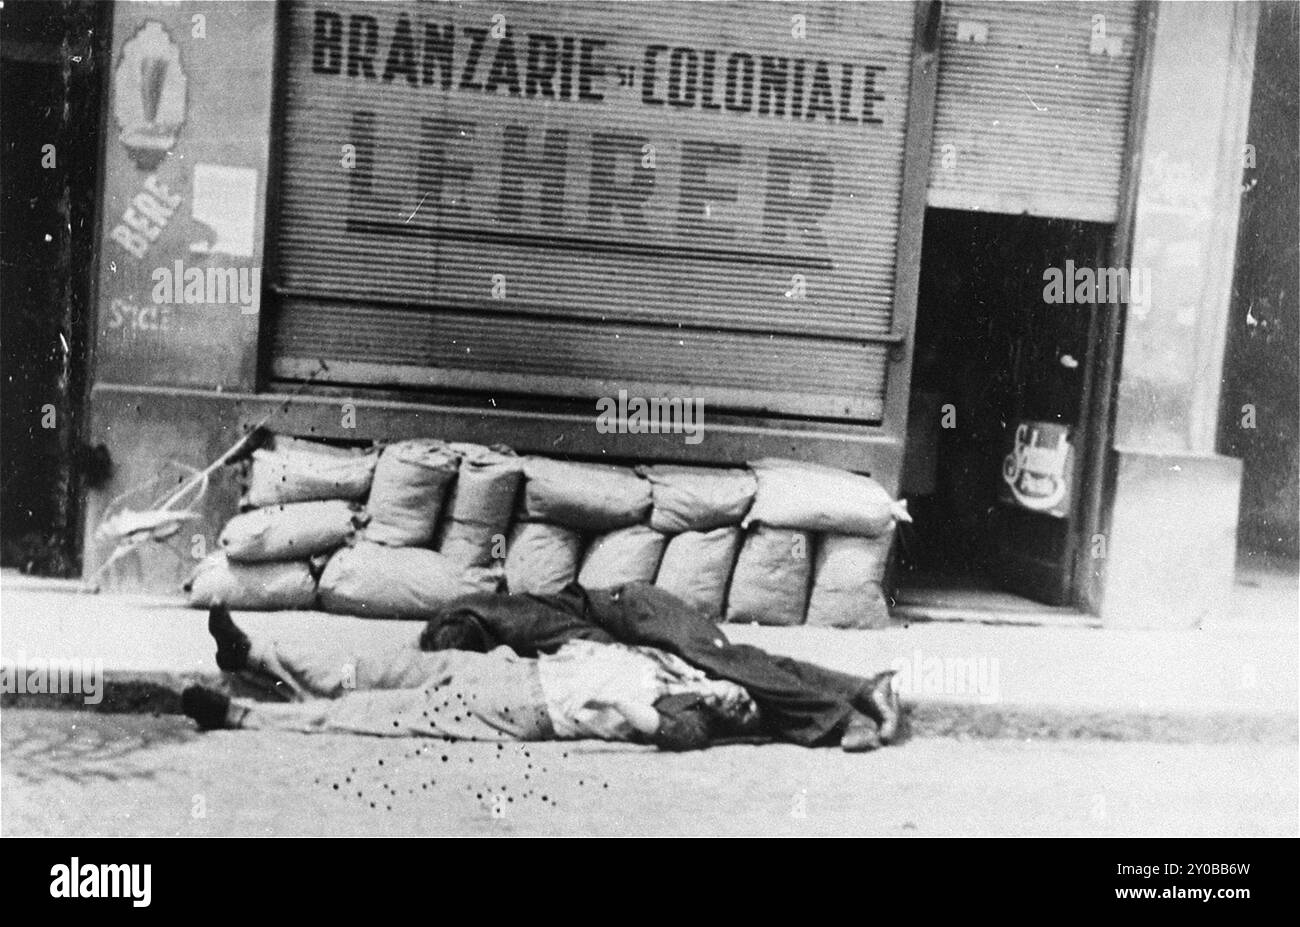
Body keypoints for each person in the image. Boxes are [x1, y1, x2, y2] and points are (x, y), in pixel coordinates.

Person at [182, 607, 761, 752]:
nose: (736, 698)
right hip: (510, 670)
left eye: (740, 709)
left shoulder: (691, 720)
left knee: (366, 712)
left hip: (522, 710)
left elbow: (662, 729)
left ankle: (238, 715)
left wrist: (614, 695)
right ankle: (252, 657)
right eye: (743, 694)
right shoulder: (680, 663)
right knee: (368, 670)